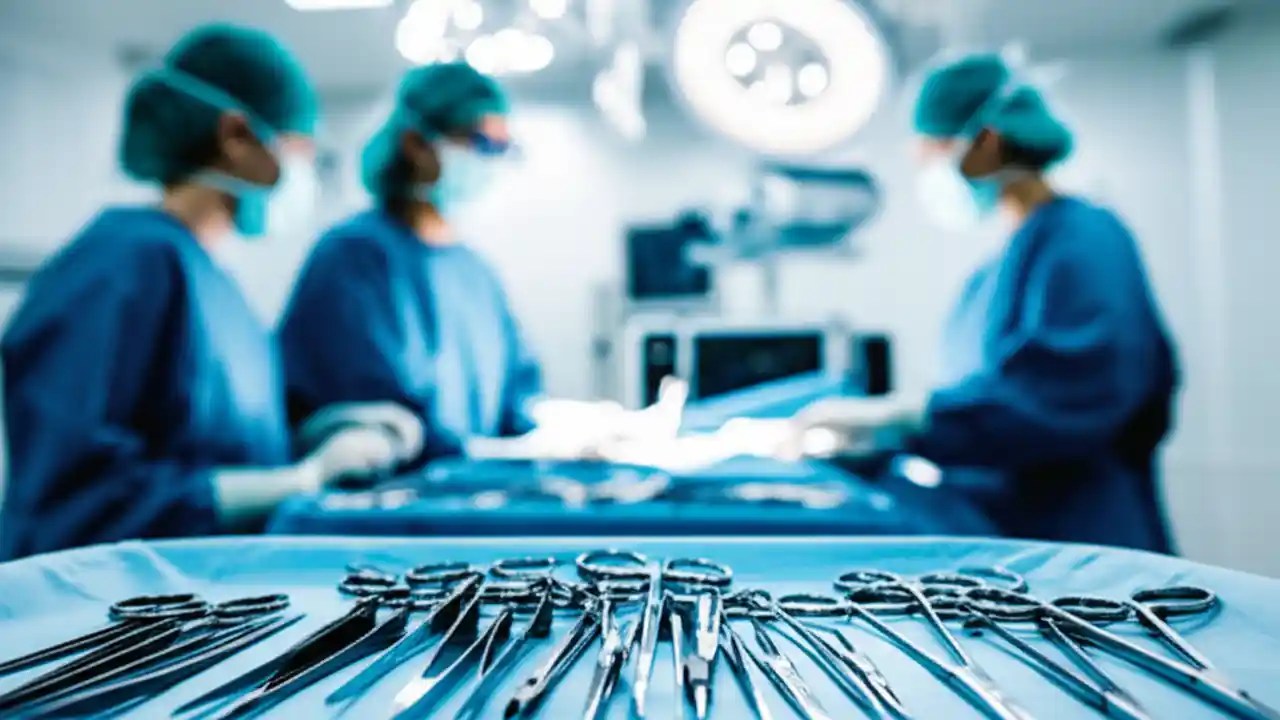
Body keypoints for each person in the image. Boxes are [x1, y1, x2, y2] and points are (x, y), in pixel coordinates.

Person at [0, 25, 421, 560]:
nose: (306, 173)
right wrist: (299, 481)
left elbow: (212, 440)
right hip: (107, 600)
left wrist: (315, 434)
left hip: (203, 584)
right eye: (299, 150)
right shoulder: (123, 263)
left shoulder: (211, 276)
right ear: (236, 135)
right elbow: (73, 499)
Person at [789, 53, 1179, 552]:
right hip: (1012, 537)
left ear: (987, 143)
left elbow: (1068, 397)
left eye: (935, 150)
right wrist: (895, 442)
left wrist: (911, 417)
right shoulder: (997, 271)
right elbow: (986, 410)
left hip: (1083, 541)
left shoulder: (1083, 240)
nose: (924, 168)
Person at [281, 62, 647, 466]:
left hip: (475, 486)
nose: (491, 161)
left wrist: (575, 427)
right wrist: (465, 453)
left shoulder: (474, 272)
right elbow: (381, 418)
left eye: (502, 148)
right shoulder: (354, 258)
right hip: (391, 494)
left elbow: (517, 397)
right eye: (482, 143)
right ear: (416, 144)